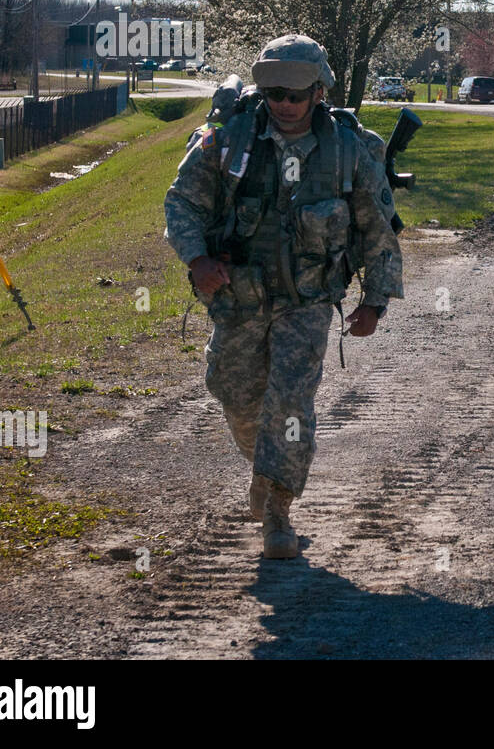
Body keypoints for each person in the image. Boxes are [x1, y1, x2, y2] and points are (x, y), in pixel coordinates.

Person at [165, 35, 402, 559]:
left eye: (296, 95)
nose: (285, 105)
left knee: (290, 403)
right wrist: (197, 259)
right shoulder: (228, 141)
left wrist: (375, 300)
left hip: (309, 300)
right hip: (239, 294)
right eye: (274, 93)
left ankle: (277, 511)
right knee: (233, 390)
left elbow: (377, 227)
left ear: (319, 92)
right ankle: (265, 468)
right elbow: (181, 202)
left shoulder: (348, 149)